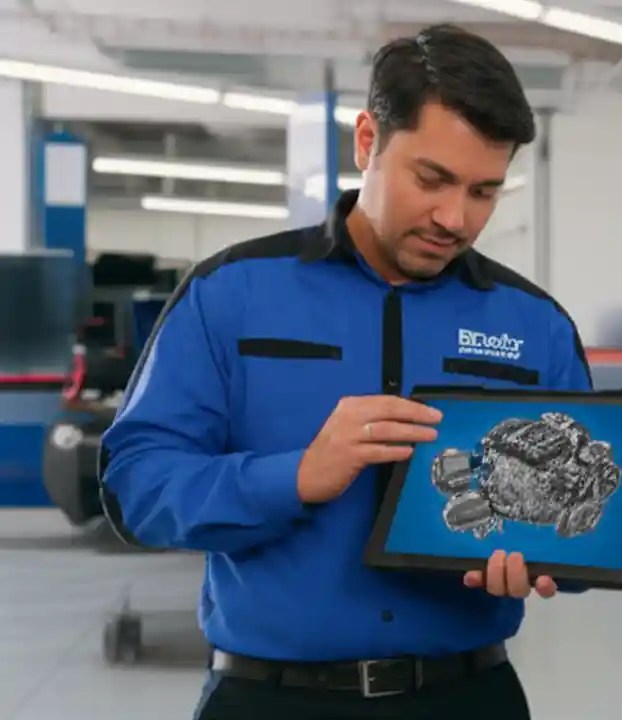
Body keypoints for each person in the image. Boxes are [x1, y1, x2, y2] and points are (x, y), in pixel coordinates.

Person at [99, 24, 591, 720]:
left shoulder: (533, 324)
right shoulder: (231, 293)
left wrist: (548, 559)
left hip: (469, 697)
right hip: (269, 700)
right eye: (432, 180)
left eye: (484, 191)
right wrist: (294, 476)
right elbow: (135, 487)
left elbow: (590, 527)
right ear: (367, 141)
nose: (456, 217)